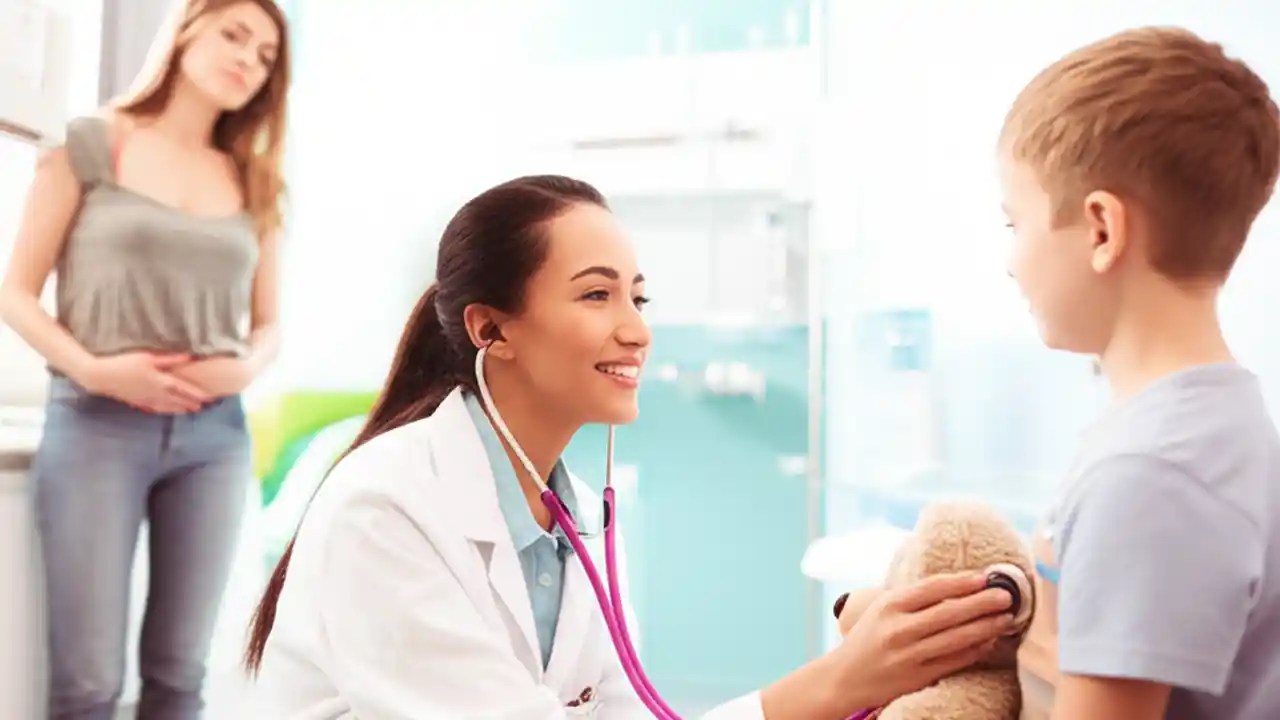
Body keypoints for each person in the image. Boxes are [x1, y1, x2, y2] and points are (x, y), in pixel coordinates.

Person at [242, 174, 1017, 719]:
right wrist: (840, 681)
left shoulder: (568, 520)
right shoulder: (385, 507)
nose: (637, 329)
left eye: (637, 296)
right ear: (491, 329)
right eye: (595, 294)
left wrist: (861, 682)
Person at [0, 1, 290, 717]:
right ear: (186, 30)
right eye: (235, 35)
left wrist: (245, 369)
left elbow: (271, 322)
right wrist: (95, 369)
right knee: (89, 685)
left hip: (214, 439)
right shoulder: (91, 146)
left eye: (264, 57)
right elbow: (16, 294)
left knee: (179, 677)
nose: (247, 61)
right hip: (96, 423)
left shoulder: (256, 182)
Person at [999, 26, 1280, 720]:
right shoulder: (1211, 421)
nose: (1011, 262)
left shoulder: (1150, 472)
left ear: (1101, 230)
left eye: (1015, 224)